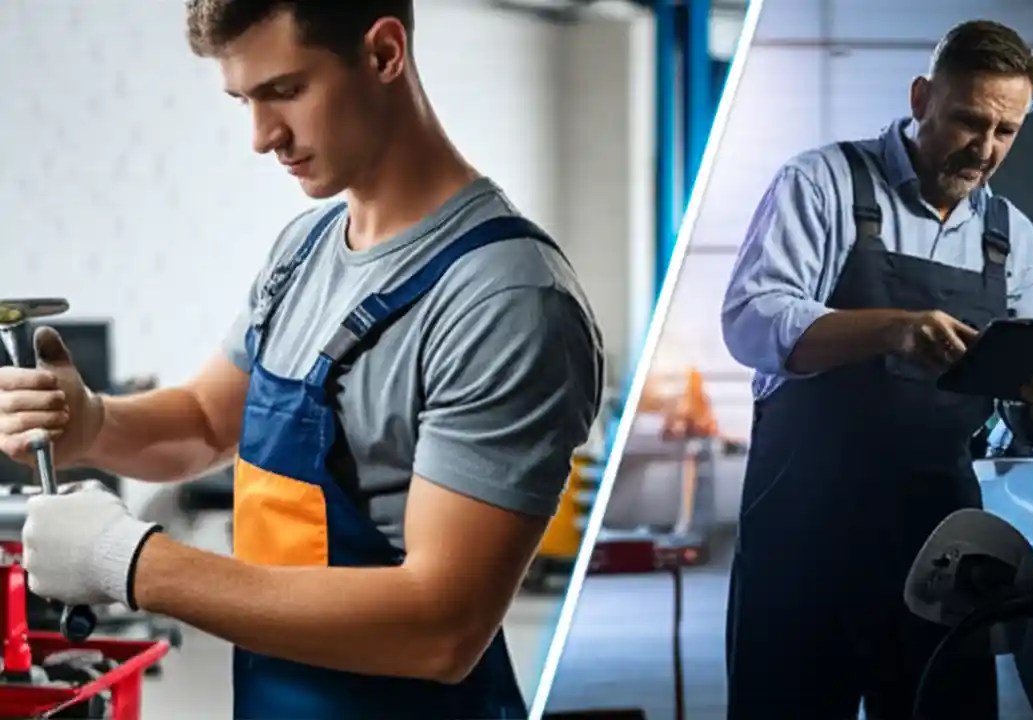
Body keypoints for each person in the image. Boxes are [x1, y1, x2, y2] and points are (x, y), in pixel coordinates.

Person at [0, 2, 603, 719]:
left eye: (285, 91)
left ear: (383, 54)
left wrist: (128, 561)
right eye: (244, 101)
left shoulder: (504, 300)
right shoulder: (304, 251)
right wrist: (92, 423)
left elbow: (442, 627)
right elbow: (205, 422)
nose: (263, 137)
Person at [720, 19, 1033, 720]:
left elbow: (1022, 413)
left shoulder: (1013, 240)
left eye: (1006, 131)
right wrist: (891, 329)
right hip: (804, 538)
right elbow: (751, 318)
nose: (984, 148)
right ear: (921, 97)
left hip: (941, 553)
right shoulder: (821, 185)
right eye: (969, 120)